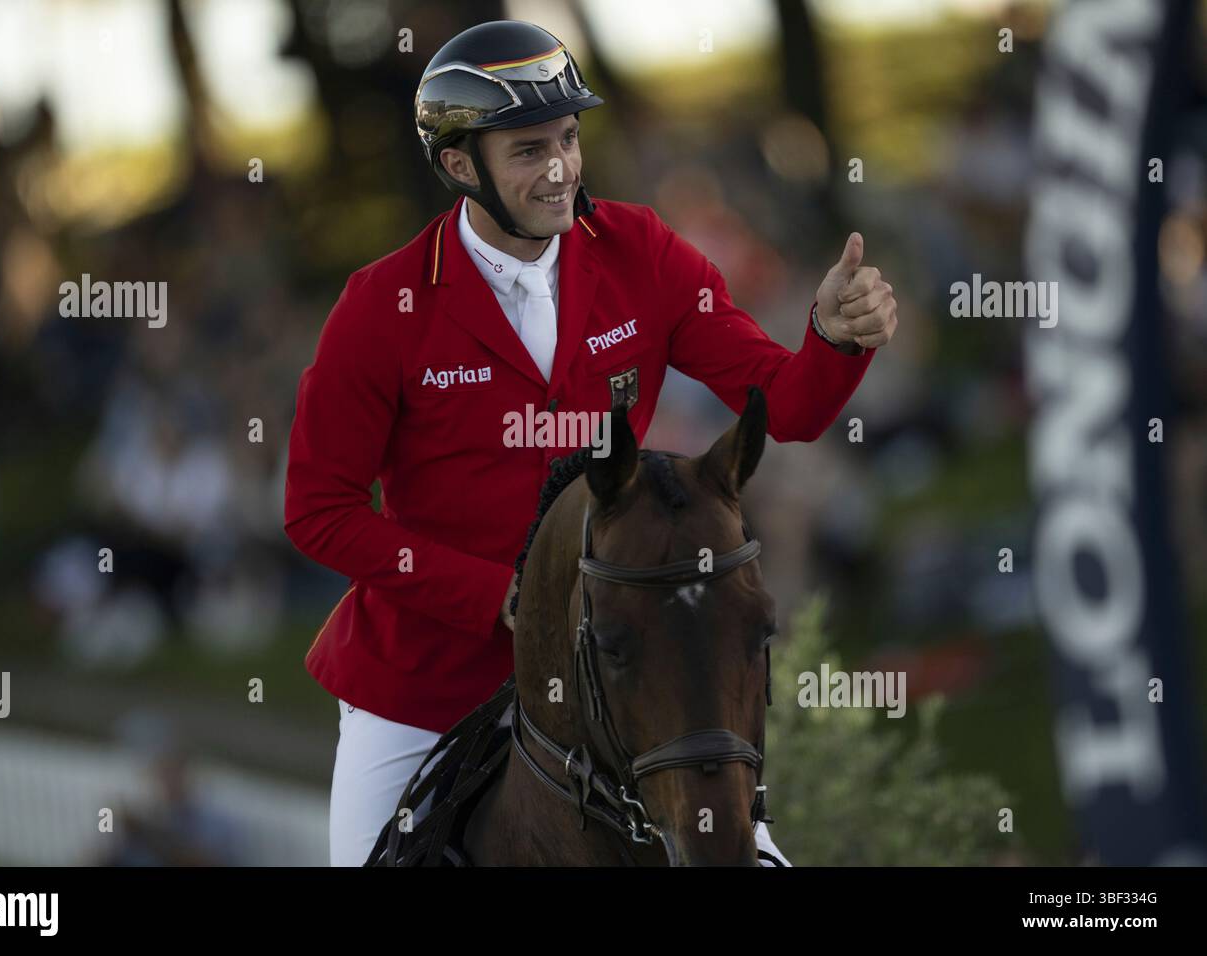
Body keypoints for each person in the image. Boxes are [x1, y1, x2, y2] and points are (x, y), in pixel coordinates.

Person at [285, 20, 898, 866]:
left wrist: (834, 339)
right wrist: (494, 595)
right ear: (460, 165)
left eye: (569, 139)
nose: (562, 168)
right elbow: (318, 513)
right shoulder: (379, 307)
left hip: (620, 668)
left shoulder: (641, 251)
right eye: (529, 150)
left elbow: (782, 408)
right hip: (427, 680)